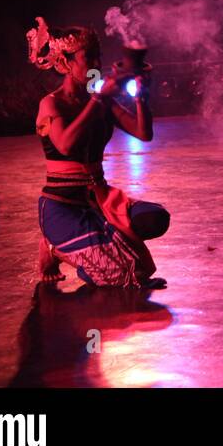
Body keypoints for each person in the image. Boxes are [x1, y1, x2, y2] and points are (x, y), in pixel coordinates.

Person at [27, 17, 168, 289]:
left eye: (97, 56)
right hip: (61, 207)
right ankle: (53, 247)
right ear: (65, 63)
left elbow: (143, 133)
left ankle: (93, 243)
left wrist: (141, 95)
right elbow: (66, 144)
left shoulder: (99, 99)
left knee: (154, 218)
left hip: (98, 200)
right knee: (120, 276)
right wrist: (99, 98)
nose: (95, 64)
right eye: (87, 57)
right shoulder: (51, 104)